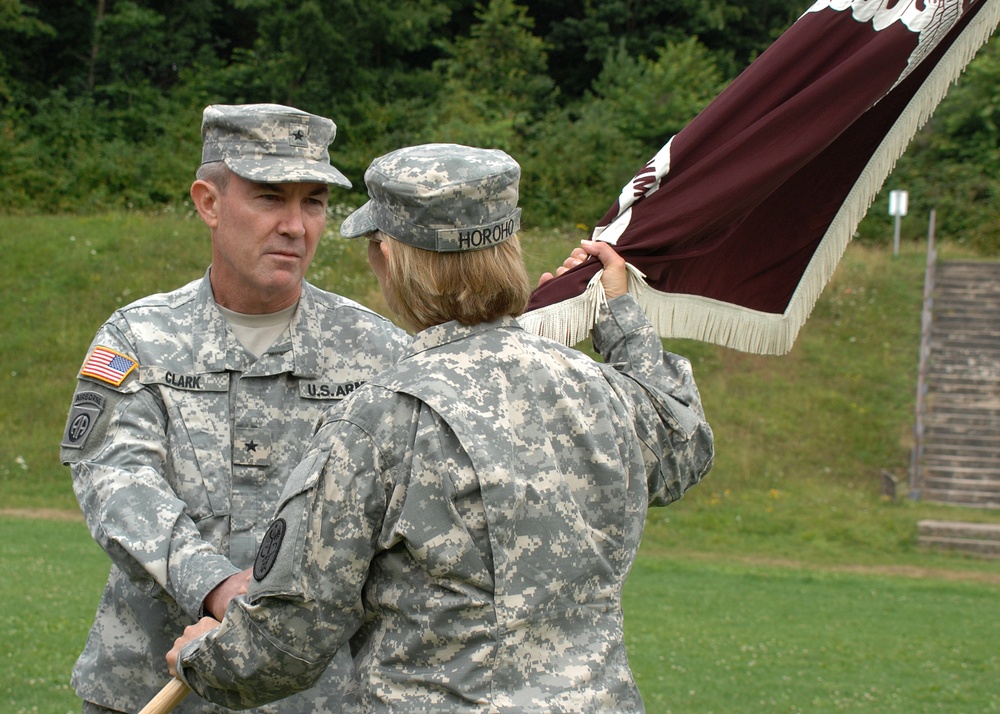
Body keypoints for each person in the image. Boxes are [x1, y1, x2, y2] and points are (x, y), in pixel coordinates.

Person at [166, 143, 715, 712]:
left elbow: (285, 645)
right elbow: (684, 447)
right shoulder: (600, 391)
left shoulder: (378, 420)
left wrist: (203, 655)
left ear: (388, 256)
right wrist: (618, 317)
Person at [60, 103, 410, 713]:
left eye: (314, 203)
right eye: (270, 198)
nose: (295, 226)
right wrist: (216, 585)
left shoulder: (378, 352)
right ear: (209, 203)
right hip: (154, 682)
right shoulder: (140, 337)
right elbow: (117, 480)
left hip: (313, 695)